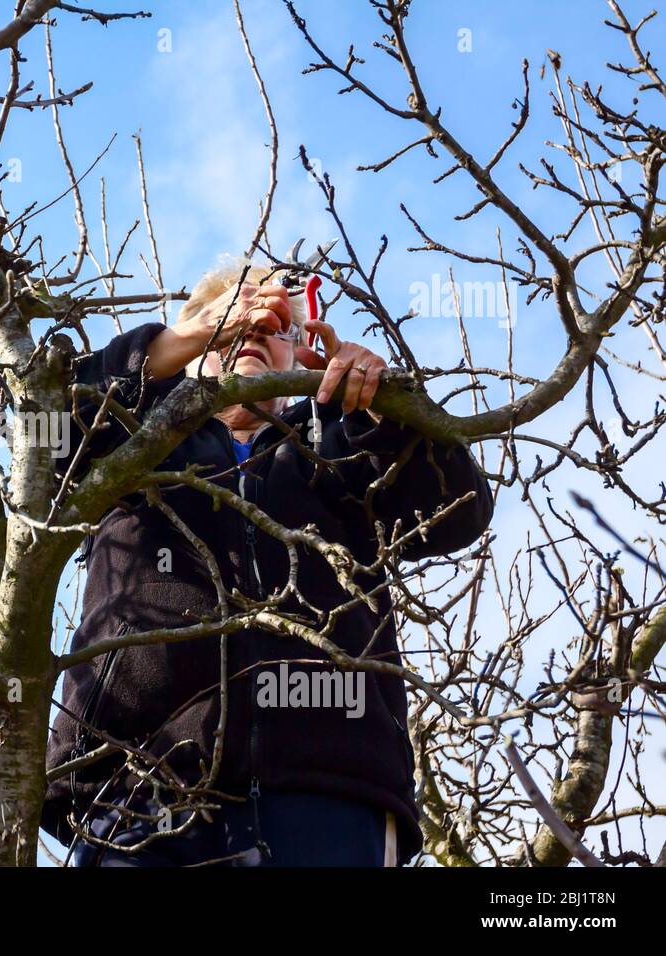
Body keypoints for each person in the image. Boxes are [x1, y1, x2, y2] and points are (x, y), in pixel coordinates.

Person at [41, 263, 495, 866]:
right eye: (232, 325)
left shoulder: (338, 449)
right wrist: (177, 340)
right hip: (132, 794)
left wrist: (383, 405)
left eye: (275, 329)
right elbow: (36, 434)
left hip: (334, 794)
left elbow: (456, 510)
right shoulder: (124, 443)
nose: (251, 334)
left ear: (298, 359)